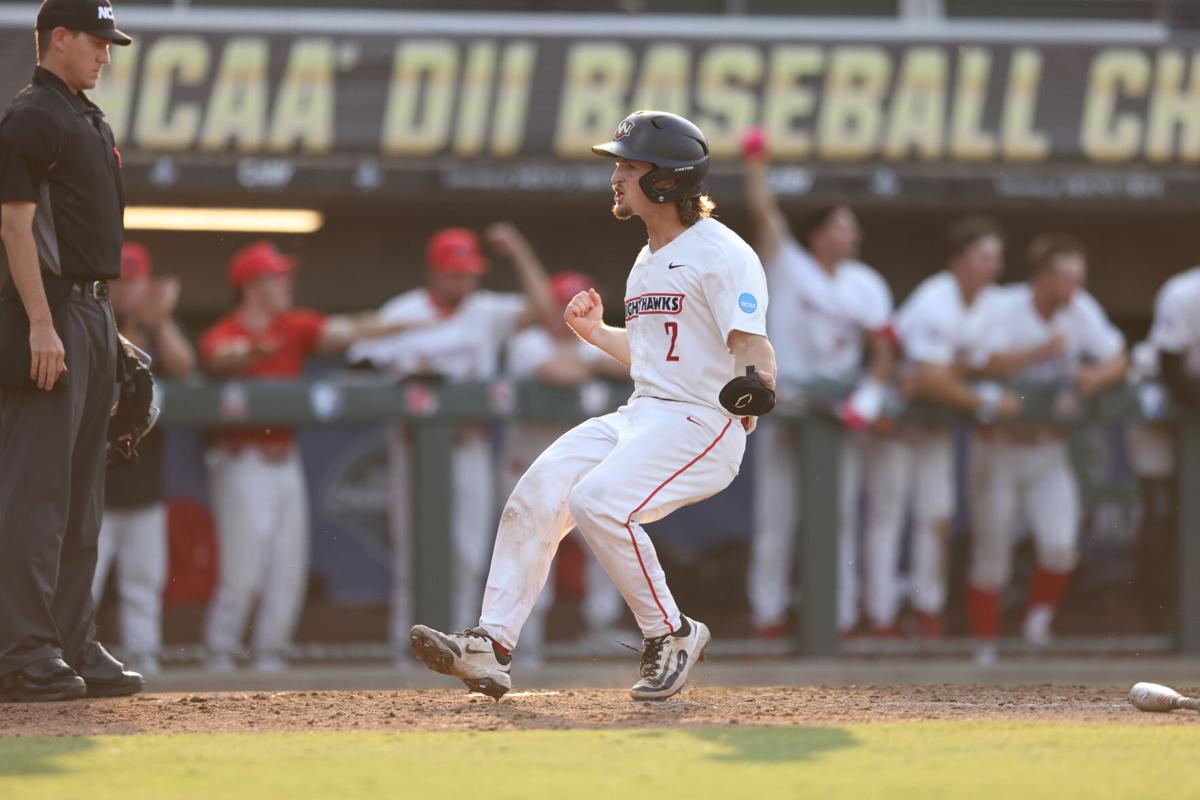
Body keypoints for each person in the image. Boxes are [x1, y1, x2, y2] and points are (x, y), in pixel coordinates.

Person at [408, 110, 777, 701]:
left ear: (667, 180)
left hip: (704, 421)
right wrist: (599, 334)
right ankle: (491, 645)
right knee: (538, 490)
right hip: (646, 411)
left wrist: (755, 382)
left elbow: (753, 346)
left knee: (597, 501)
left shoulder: (723, 251)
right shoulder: (648, 256)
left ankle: (672, 634)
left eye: (629, 167)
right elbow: (658, 355)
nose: (617, 177)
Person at [0, 0, 144, 702]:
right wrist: (39, 322)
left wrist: (105, 327)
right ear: (58, 37)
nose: (105, 52)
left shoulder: (85, 117)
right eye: (95, 39)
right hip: (48, 311)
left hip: (86, 309)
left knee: (83, 496)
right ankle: (23, 652)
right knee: (38, 497)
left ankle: (71, 642)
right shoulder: (32, 115)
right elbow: (14, 228)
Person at [199, 240, 427, 672]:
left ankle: (270, 659)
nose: (288, 282)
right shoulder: (228, 331)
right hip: (241, 460)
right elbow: (214, 355)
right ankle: (218, 661)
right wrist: (250, 352)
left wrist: (403, 324)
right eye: (278, 276)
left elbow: (348, 329)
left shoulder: (293, 326)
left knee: (287, 571)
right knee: (242, 575)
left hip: (285, 462)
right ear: (252, 286)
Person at [345, 223, 555, 661]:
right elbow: (356, 359)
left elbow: (543, 309)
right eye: (455, 273)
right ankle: (406, 656)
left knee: (468, 559)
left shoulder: (485, 310)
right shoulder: (403, 311)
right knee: (413, 558)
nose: (464, 282)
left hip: (470, 447)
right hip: (415, 451)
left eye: (470, 274)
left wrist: (519, 251)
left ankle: (458, 652)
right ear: (435, 272)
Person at [740, 128, 893, 638]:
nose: (854, 235)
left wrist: (870, 396)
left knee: (839, 519)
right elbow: (766, 216)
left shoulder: (868, 281)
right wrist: (756, 166)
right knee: (776, 519)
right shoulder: (790, 263)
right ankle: (768, 615)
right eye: (845, 227)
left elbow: (884, 348)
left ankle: (842, 617)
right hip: (787, 401)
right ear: (820, 233)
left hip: (837, 407)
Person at [965, 233, 1128, 662]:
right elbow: (982, 363)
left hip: (1048, 447)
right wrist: (1041, 351)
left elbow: (1119, 356)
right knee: (992, 551)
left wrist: (1098, 377)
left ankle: (1037, 626)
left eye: (1078, 279)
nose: (1073, 288)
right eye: (1065, 279)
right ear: (1041, 278)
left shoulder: (1080, 310)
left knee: (1060, 544)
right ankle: (984, 644)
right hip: (999, 444)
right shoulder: (1003, 306)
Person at [862, 219, 1021, 638]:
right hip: (896, 418)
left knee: (936, 515)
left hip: (934, 422)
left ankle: (926, 610)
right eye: (984, 257)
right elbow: (929, 379)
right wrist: (979, 395)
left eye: (996, 258)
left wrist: (953, 372)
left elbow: (990, 362)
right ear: (958, 262)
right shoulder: (935, 297)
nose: (993, 266)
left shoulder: (993, 302)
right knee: (889, 517)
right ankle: (881, 618)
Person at [502, 269, 632, 664]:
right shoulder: (527, 342)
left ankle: (601, 631)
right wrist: (590, 364)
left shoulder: (593, 338)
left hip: (582, 473)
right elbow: (558, 372)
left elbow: (634, 365)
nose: (568, 313)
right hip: (527, 470)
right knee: (529, 553)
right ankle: (524, 643)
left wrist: (589, 359)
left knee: (607, 544)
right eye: (562, 305)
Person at [90, 242, 194, 675]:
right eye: (121, 281)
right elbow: (117, 357)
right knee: (82, 588)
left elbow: (183, 366)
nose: (128, 290)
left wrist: (161, 320)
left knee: (143, 589)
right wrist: (145, 322)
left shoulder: (156, 327)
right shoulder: (92, 321)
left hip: (145, 488)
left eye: (136, 281)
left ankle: (144, 672)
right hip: (95, 490)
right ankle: (61, 667)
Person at [1126, 266, 1200, 631]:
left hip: (1193, 409)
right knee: (1162, 510)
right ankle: (1157, 617)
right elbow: (1171, 366)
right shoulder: (1184, 291)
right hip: (1160, 405)